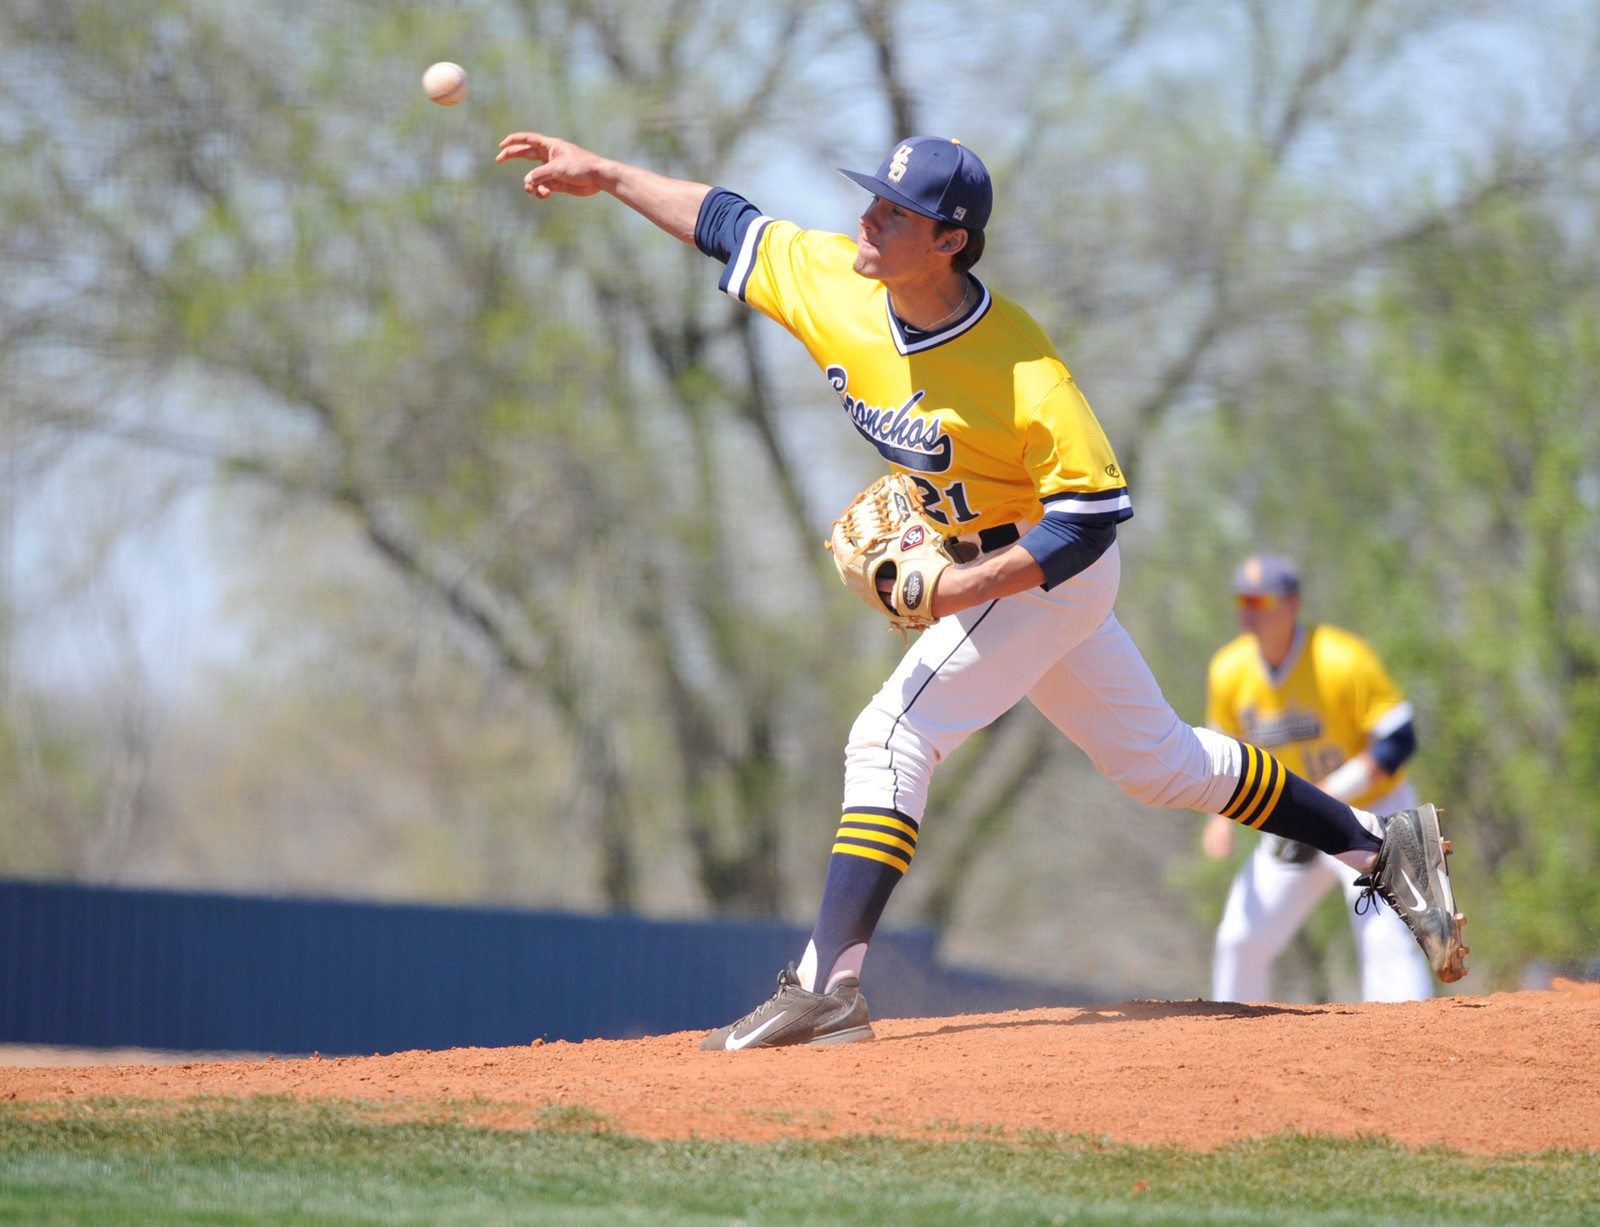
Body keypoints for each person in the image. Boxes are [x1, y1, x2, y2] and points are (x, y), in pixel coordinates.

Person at [495, 130, 1469, 1048]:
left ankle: (825, 988)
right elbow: (728, 220)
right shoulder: (837, 280)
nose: (868, 223)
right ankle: (1382, 849)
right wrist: (607, 175)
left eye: (894, 215)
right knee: (1160, 765)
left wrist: (964, 588)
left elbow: (1087, 518)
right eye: (870, 202)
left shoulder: (1023, 368)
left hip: (1042, 567)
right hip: (998, 569)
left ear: (950, 241)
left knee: (890, 735)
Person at [1201, 555, 1436, 1003]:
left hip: (1373, 813)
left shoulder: (1342, 659)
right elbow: (1222, 755)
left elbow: (1399, 740)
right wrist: (1219, 819)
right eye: (1242, 599)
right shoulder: (1229, 671)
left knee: (1385, 938)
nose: (1249, 610)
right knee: (1241, 939)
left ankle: (1409, 1059)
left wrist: (1330, 794)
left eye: (1261, 600)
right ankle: (1231, 1049)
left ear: (1292, 604)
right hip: (1296, 817)